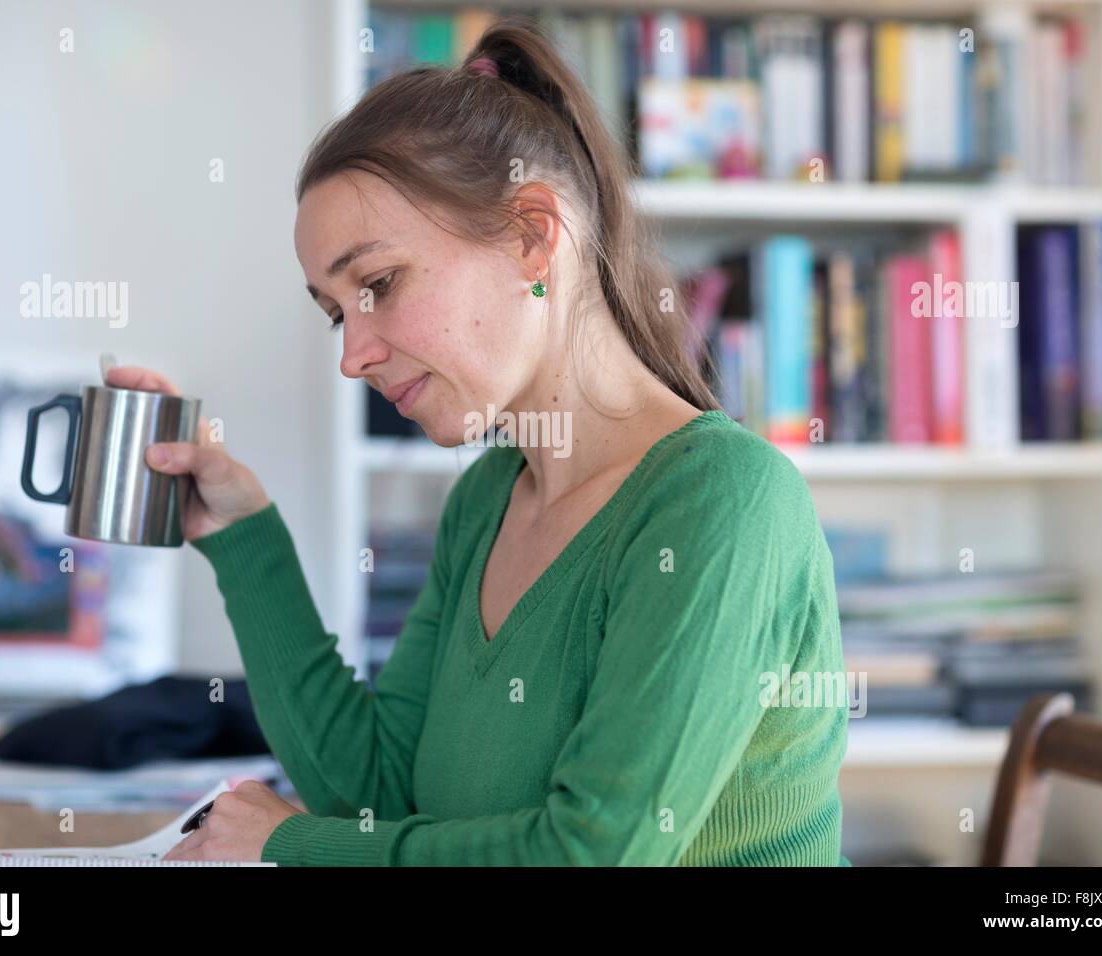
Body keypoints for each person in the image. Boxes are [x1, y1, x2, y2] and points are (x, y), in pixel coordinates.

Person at [133, 16, 848, 865]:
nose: (354, 355)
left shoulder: (723, 499)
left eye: (378, 284)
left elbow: (590, 853)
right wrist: (242, 539)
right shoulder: (486, 499)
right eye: (335, 316)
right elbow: (375, 795)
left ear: (530, 235)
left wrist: (292, 848)